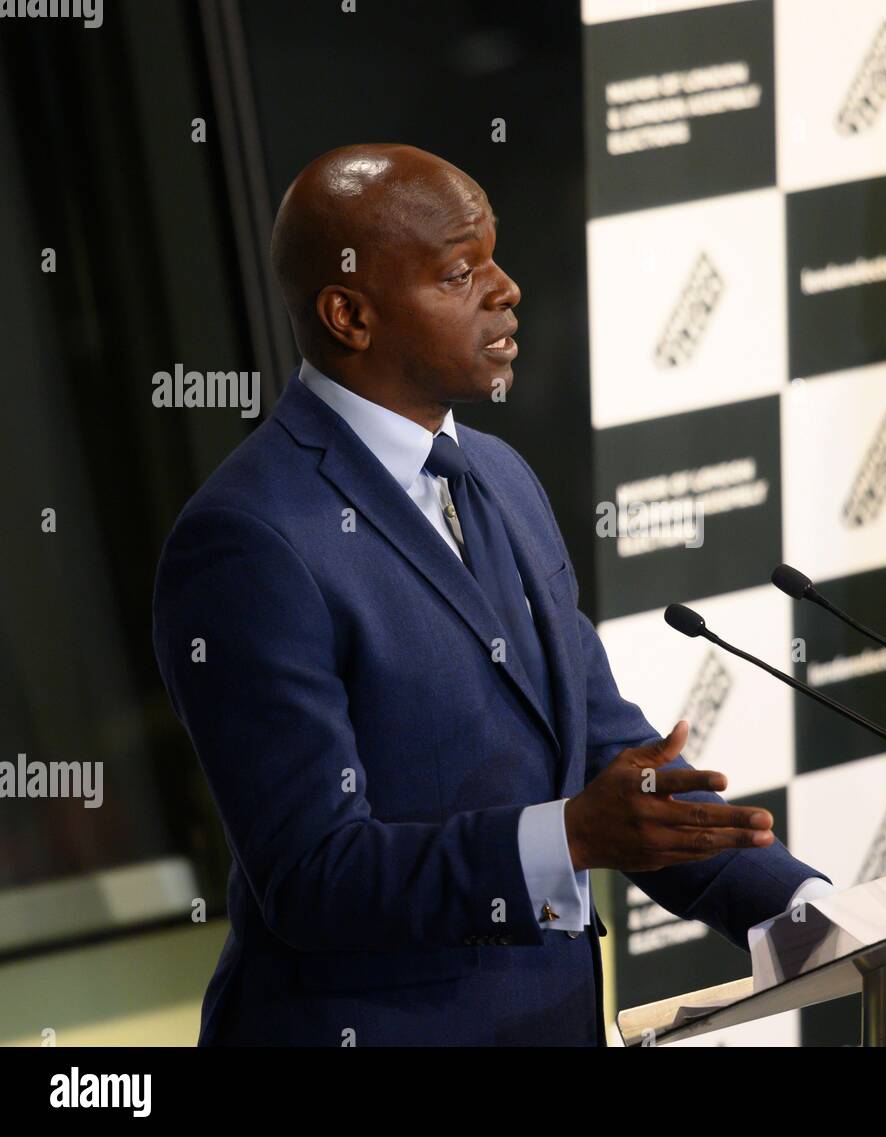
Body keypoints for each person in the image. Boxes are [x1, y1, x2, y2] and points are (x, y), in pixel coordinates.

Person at [153, 143, 831, 1046]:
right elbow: (315, 875)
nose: (506, 287)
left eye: (496, 256)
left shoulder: (499, 476)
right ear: (350, 314)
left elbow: (595, 743)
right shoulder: (249, 541)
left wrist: (808, 911)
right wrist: (570, 839)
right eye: (460, 271)